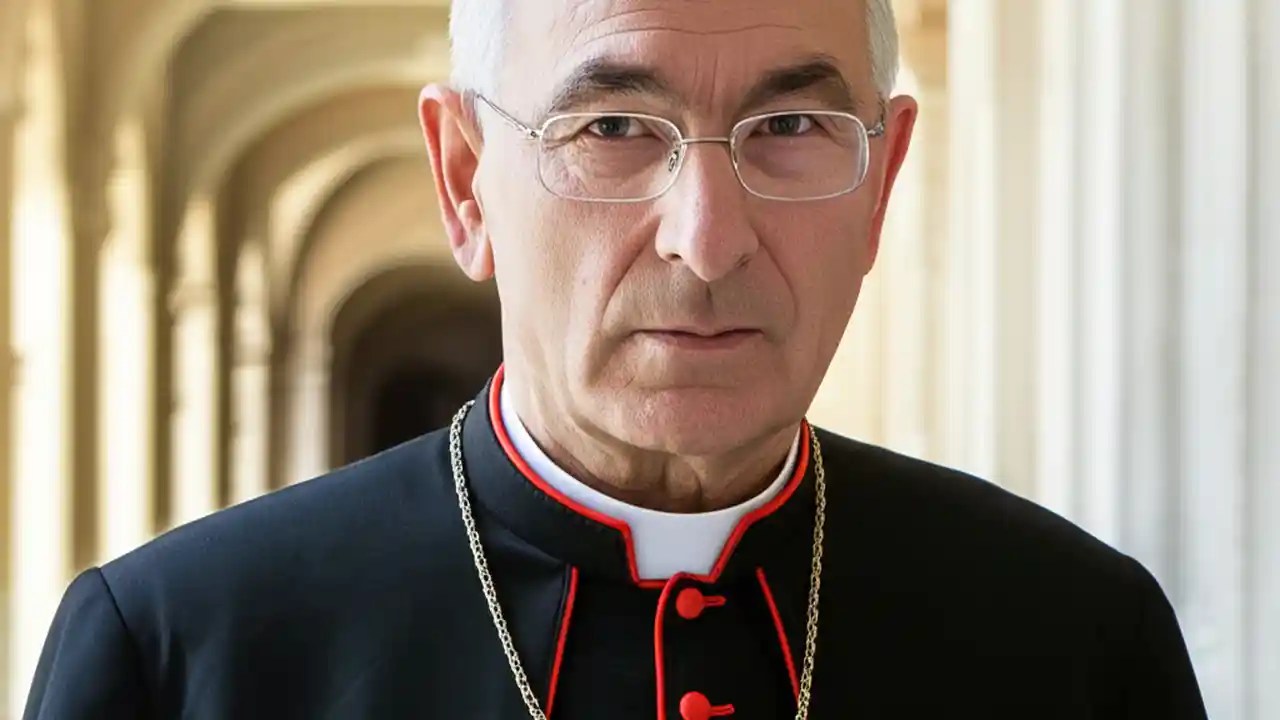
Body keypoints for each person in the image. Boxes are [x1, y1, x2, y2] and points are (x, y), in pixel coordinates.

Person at [25, 1, 1208, 718]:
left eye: (789, 129)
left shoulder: (1076, 645)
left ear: (881, 182)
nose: (705, 238)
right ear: (463, 180)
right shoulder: (183, 657)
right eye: (610, 129)